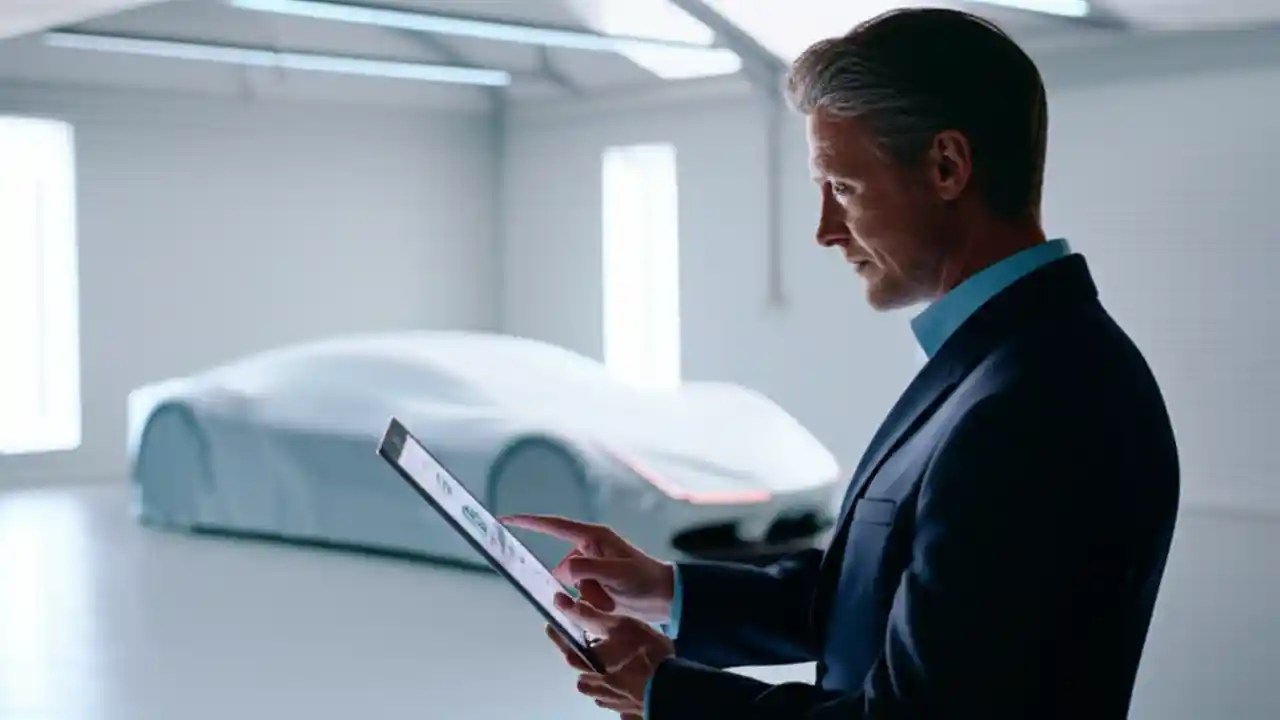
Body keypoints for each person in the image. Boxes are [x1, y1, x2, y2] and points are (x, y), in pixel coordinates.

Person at [503, 8, 1179, 719]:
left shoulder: (1035, 402)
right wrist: (667, 589)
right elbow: (881, 592)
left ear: (948, 167)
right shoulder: (1011, 361)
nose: (826, 229)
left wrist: (667, 692)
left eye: (845, 188)